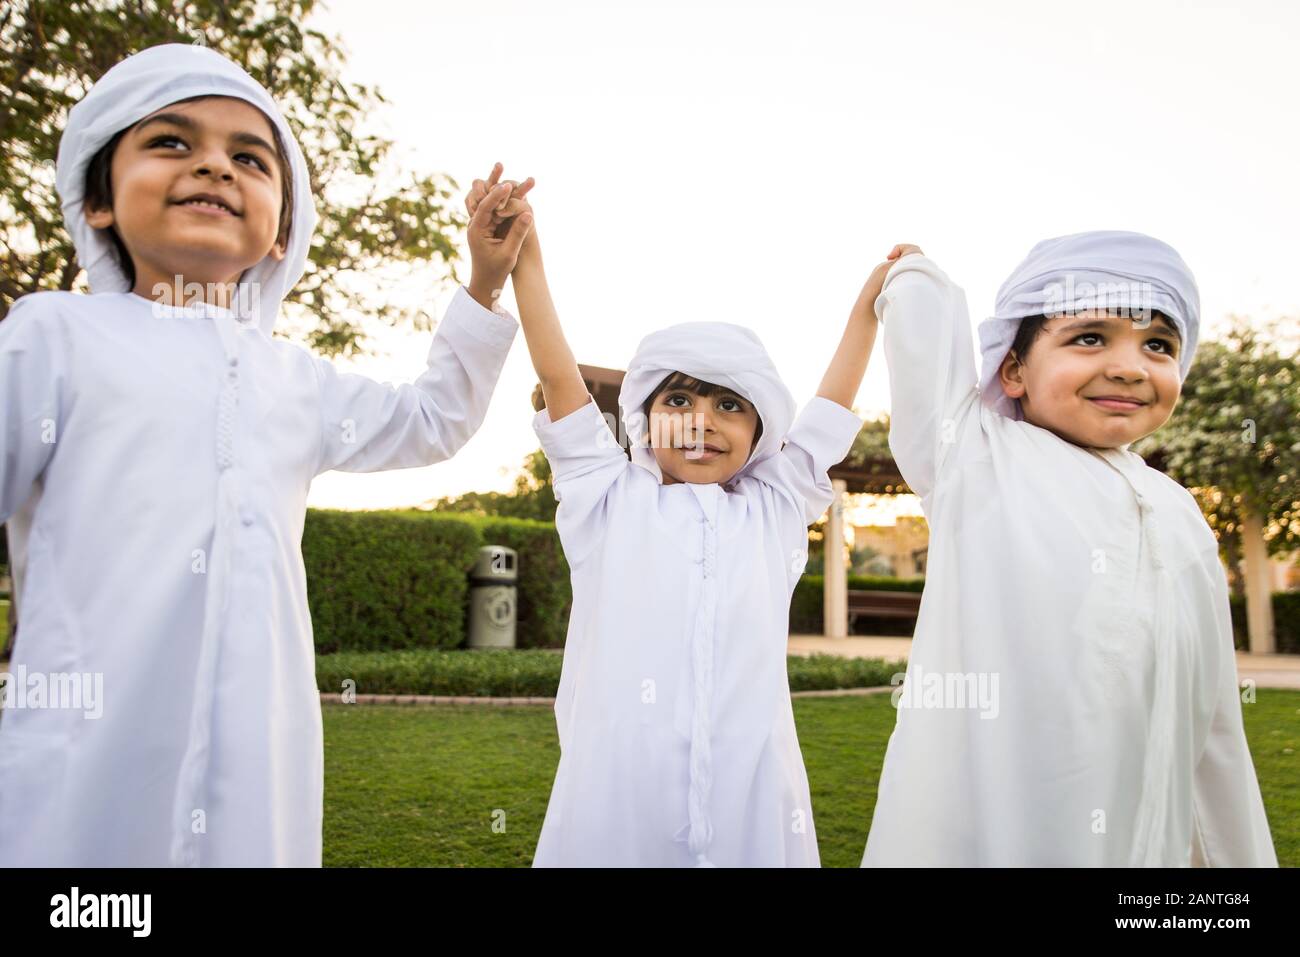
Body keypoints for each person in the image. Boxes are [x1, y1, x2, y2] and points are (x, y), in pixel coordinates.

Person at [0, 44, 527, 866]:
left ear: (282, 231)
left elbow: (433, 418)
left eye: (249, 158)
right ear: (97, 200)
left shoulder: (296, 380)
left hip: (259, 773)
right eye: (171, 142)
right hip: (83, 764)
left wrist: (484, 283)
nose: (213, 167)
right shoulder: (53, 336)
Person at [465, 168, 877, 866]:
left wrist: (868, 309)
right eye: (680, 400)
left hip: (753, 799)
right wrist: (525, 260)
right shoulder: (606, 498)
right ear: (645, 417)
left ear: (758, 429)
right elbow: (561, 378)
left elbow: (828, 415)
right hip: (619, 798)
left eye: (729, 404)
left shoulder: (775, 510)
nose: (702, 423)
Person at [860, 232, 1277, 867]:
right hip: (1009, 824)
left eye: (1159, 345)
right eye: (1089, 337)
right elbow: (925, 355)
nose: (1130, 367)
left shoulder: (1180, 510)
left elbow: (1212, 715)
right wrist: (915, 275)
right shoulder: (976, 458)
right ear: (1014, 369)